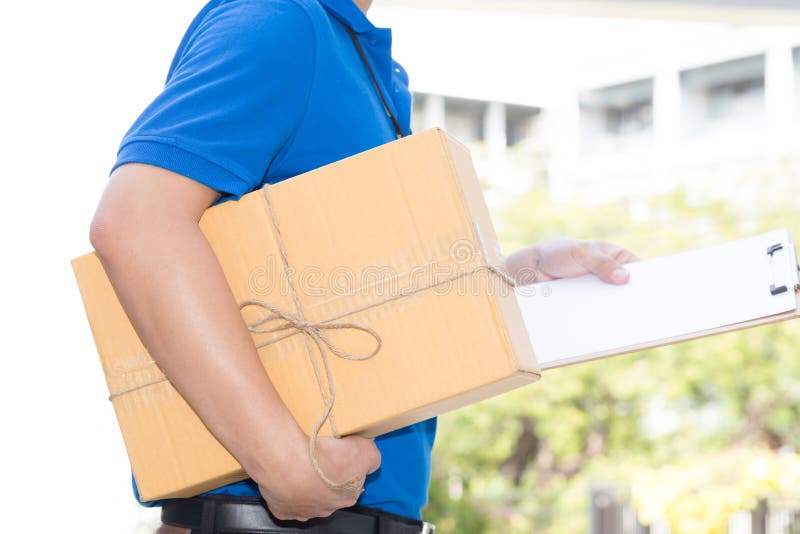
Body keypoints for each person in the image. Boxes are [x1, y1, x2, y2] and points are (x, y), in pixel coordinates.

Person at [89, 0, 637, 532]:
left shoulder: (353, 55)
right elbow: (138, 223)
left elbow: (353, 306)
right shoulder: (280, 21)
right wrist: (280, 459)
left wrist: (521, 274)